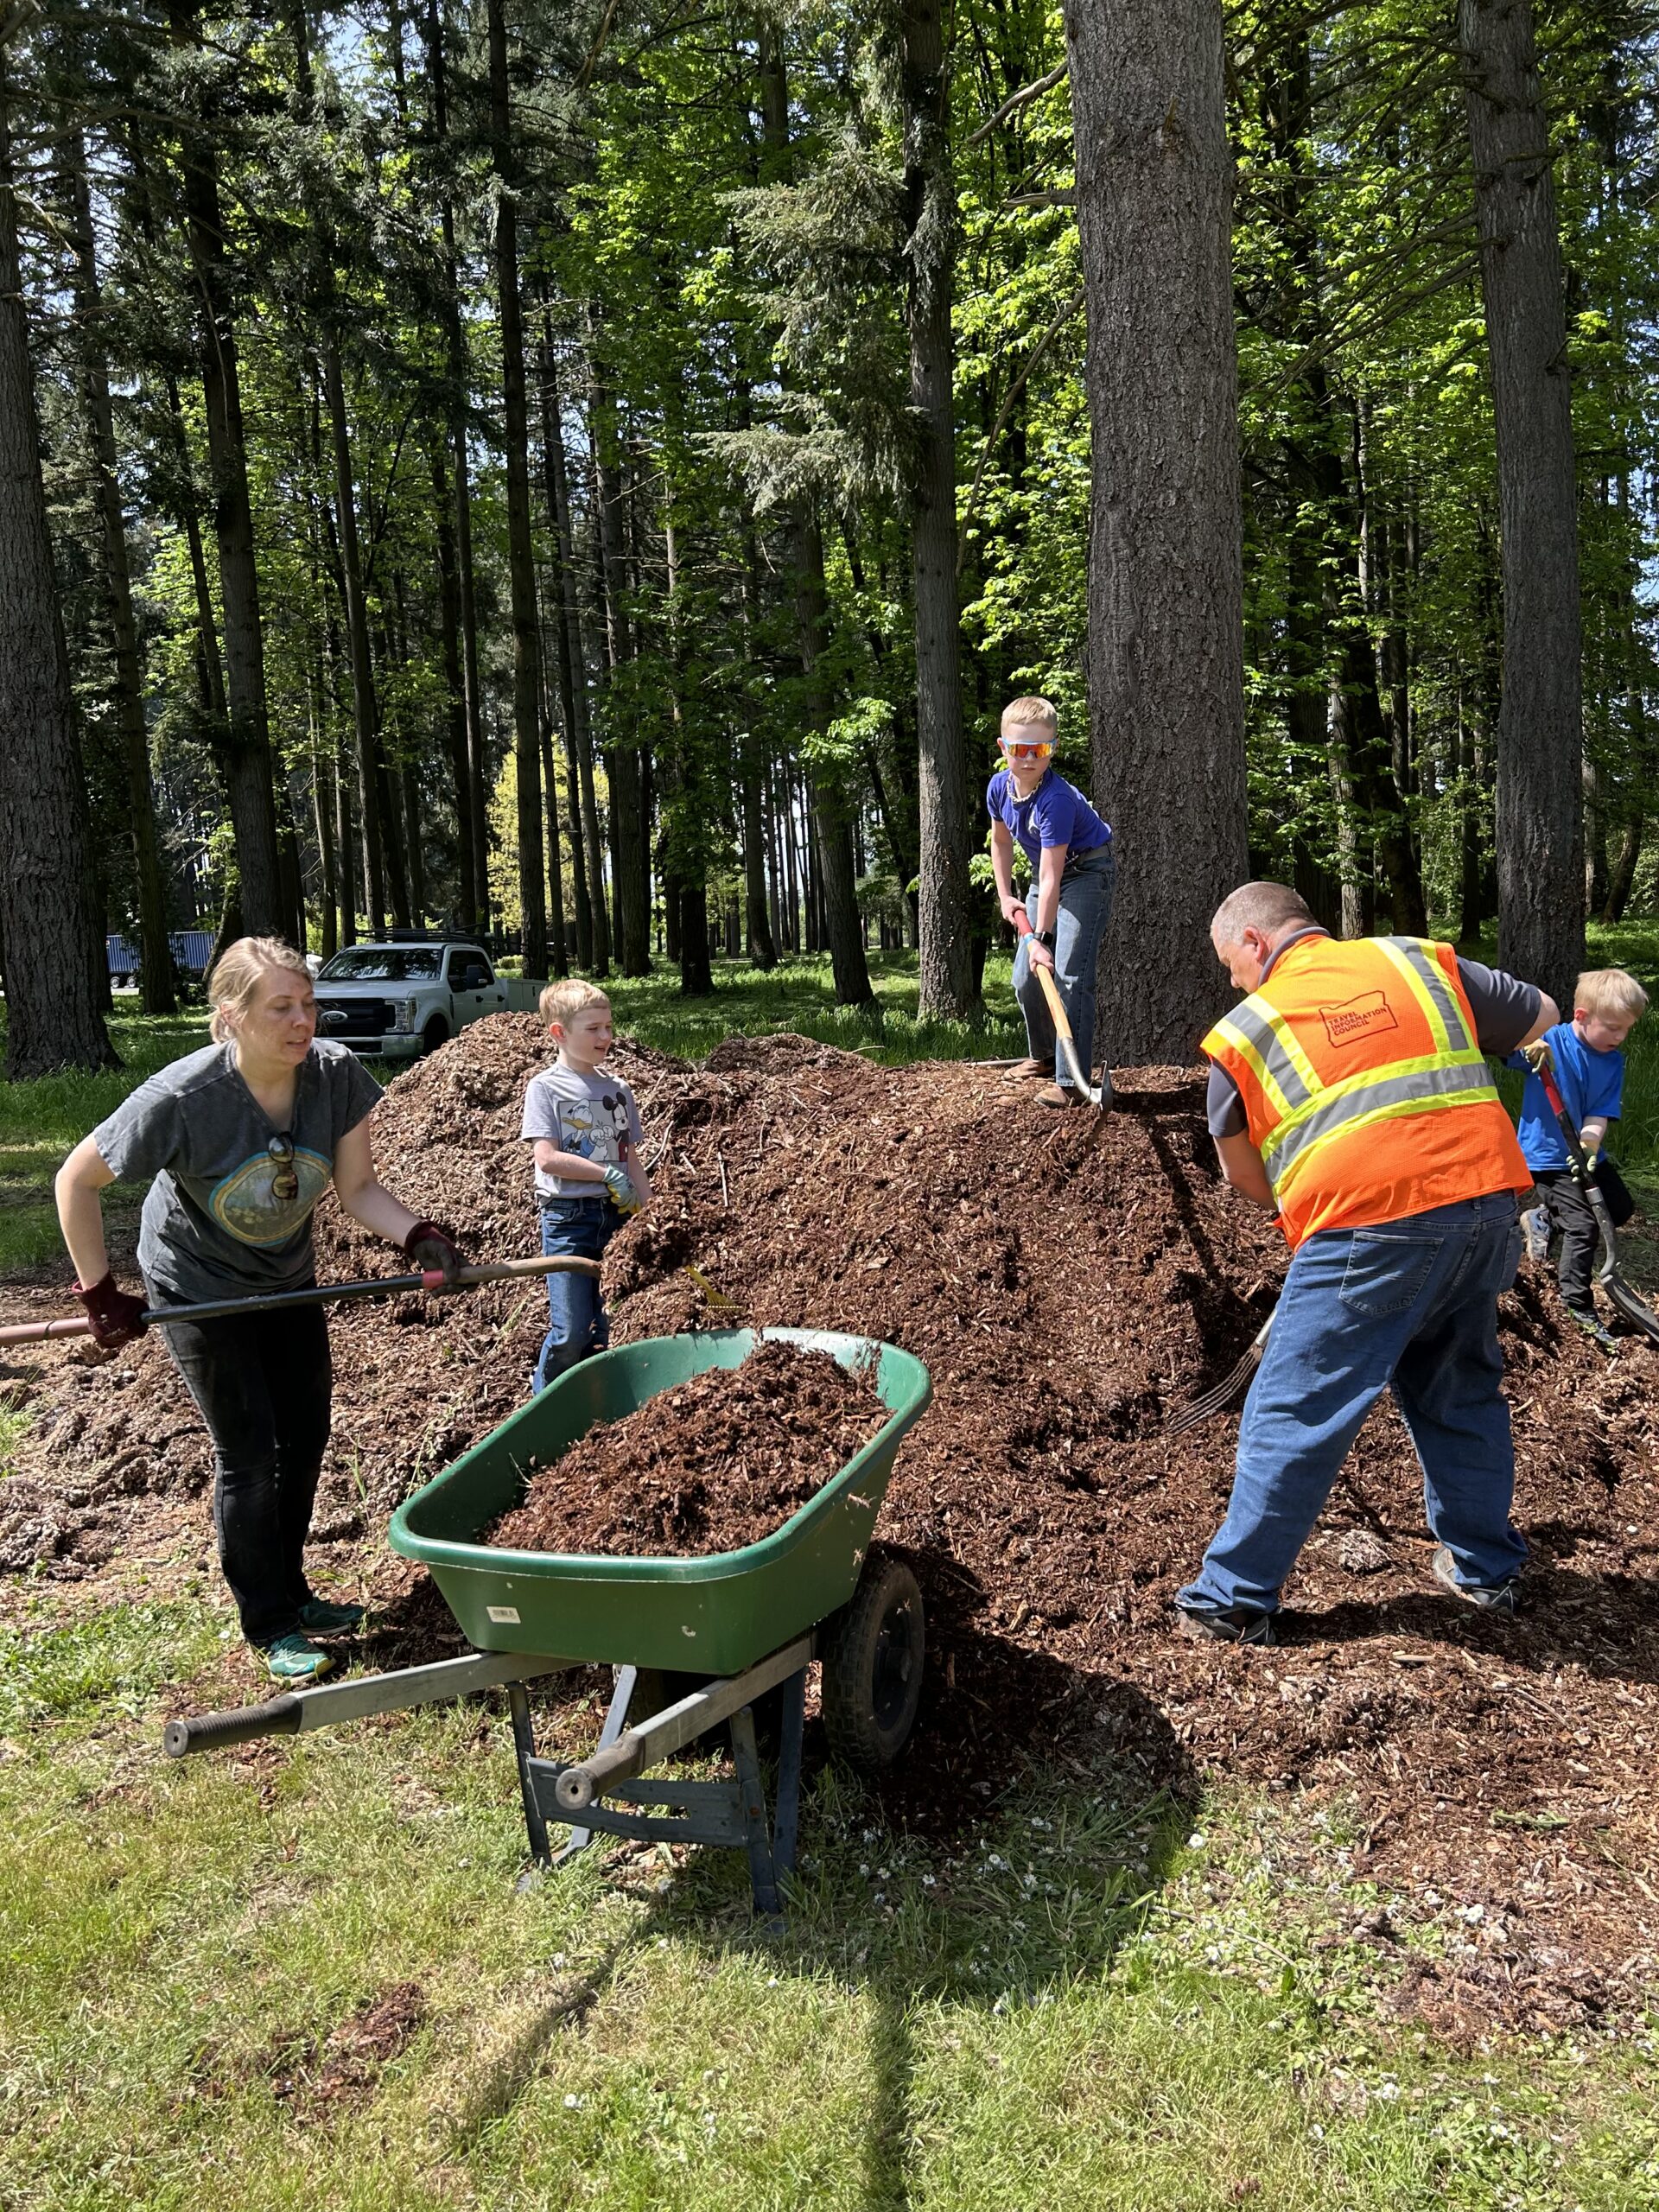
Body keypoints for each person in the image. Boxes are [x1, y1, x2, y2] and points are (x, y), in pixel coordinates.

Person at [54, 938, 462, 1682]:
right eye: (282, 1007)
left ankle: (296, 1594)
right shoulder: (183, 1099)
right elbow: (74, 1181)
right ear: (231, 1016)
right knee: (247, 1453)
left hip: (286, 1277)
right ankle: (268, 1622)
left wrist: (418, 1234)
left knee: (303, 1438)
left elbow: (358, 1189)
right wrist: (98, 1291)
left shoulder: (333, 1075)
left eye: (308, 1004)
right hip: (199, 1284)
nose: (303, 1021)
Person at [1176, 883, 1558, 1645]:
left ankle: (1232, 1600)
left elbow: (1244, 1178)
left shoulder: (1246, 1033)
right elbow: (1544, 1017)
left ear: (1255, 942)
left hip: (1368, 1232)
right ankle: (1486, 1571)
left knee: (1295, 1410)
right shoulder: (1419, 963)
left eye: (1230, 964)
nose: (1232, 982)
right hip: (1485, 1210)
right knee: (1461, 1392)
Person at [520, 980, 652, 1393]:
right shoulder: (545, 1088)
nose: (606, 1037)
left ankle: (600, 1400)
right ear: (559, 1033)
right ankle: (543, 1402)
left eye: (609, 1027)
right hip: (568, 1221)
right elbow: (547, 1158)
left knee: (613, 1321)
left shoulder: (618, 1089)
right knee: (571, 1330)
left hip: (617, 1217)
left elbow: (629, 1156)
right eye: (593, 1029)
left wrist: (650, 1212)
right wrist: (605, 1174)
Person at [987, 695, 1116, 1109]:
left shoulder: (1055, 800)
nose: (1028, 759)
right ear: (1003, 747)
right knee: (1025, 978)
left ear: (1052, 749)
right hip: (1051, 876)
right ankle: (1043, 1057)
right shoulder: (998, 788)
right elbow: (1001, 840)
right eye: (1019, 749)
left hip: (1086, 874)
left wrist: (1039, 936)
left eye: (1038, 750)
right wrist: (1006, 894)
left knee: (1070, 976)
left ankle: (1071, 1083)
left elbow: (1050, 874)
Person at [1512, 968, 1649, 1349]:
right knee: (1583, 1227)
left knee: (1618, 1208)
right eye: (1613, 1027)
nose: (1620, 1037)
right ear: (1582, 1016)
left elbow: (1599, 1112)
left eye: (1627, 1029)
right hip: (1548, 1157)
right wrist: (1528, 1044)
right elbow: (1509, 1050)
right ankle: (1577, 1304)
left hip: (1584, 1151)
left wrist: (1589, 1146)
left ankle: (1541, 1218)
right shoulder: (1551, 1042)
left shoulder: (1612, 1061)